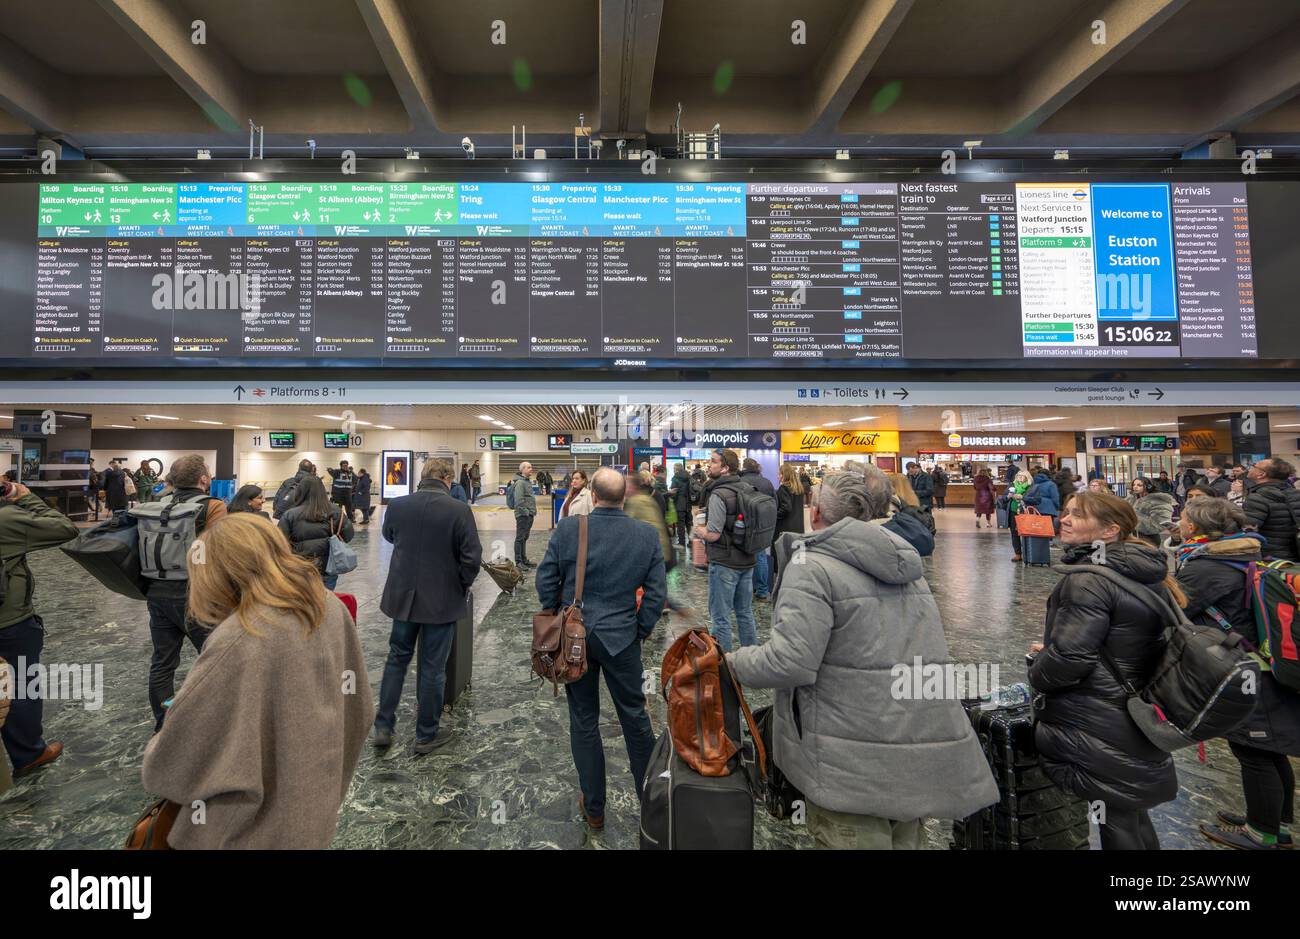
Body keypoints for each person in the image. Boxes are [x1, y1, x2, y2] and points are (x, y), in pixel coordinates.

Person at [728, 468, 998, 849]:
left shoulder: (811, 568)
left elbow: (790, 661)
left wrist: (732, 663)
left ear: (816, 512)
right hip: (907, 750)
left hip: (847, 762)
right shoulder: (904, 564)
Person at [141, 513, 371, 848]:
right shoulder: (328, 606)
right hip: (312, 817)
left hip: (245, 834)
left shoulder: (240, 637)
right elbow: (359, 712)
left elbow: (168, 768)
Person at [1028, 492, 1182, 849]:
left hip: (1097, 713)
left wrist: (1039, 671)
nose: (1064, 519)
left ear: (1110, 530)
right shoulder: (1140, 567)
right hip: (1135, 707)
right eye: (1066, 512)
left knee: (1112, 816)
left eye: (1077, 515)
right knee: (1127, 809)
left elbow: (1071, 658)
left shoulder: (1088, 579)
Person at [535, 467, 665, 830]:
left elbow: (545, 580)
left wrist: (559, 612)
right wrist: (639, 629)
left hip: (575, 641)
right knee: (635, 719)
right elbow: (656, 594)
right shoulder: (645, 535)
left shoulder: (569, 529)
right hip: (622, 639)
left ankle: (594, 808)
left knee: (584, 720)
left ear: (593, 496)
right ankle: (650, 805)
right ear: (624, 497)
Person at [1171, 498, 1300, 850]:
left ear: (1193, 527)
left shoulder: (1206, 567)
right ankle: (1275, 824)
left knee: (1253, 750)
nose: (1179, 523)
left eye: (1183, 518)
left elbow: (1174, 609)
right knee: (1270, 749)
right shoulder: (1245, 554)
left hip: (1244, 668)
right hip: (1265, 665)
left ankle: (1261, 834)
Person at [373, 458, 482, 754]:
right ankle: (425, 735)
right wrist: (460, 585)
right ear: (447, 479)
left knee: (396, 660)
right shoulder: (458, 510)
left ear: (422, 477)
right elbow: (472, 557)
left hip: (402, 598)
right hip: (441, 601)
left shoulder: (398, 505)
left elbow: (389, 536)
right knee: (433, 668)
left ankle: (383, 726)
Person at [141, 455, 228, 733]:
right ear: (203, 479)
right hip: (196, 593)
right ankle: (217, 723)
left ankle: (164, 723)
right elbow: (219, 550)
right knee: (218, 658)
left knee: (162, 662)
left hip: (157, 591)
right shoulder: (212, 506)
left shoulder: (157, 503)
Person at [0, 482, 77, 779]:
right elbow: (64, 528)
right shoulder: (6, 519)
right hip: (9, 622)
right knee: (21, 686)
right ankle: (29, 754)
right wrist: (26, 498)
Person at [693, 449, 759, 652]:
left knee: (720, 617)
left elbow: (713, 534)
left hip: (724, 563)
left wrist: (699, 530)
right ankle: (751, 658)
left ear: (725, 468)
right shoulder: (747, 488)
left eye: (713, 461)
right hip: (747, 559)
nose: (709, 465)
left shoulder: (718, 494)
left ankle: (725, 663)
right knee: (745, 613)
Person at [278, 475, 354, 590]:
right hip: (328, 567)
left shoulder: (290, 515)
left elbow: (280, 543)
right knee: (326, 598)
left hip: (300, 569)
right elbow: (348, 535)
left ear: (300, 491)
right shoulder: (336, 512)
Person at [1243, 456, 1300, 562]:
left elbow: (1248, 530)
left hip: (1271, 560)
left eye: (1254, 465)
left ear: (1261, 474)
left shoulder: (1258, 497)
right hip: (1295, 556)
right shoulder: (1296, 494)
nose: (1250, 467)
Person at [739, 458, 775, 602]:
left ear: (744, 467)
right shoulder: (767, 482)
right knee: (761, 557)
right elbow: (775, 504)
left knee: (742, 557)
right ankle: (762, 591)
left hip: (744, 525)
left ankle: (745, 591)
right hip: (763, 526)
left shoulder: (740, 482)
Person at [624, 471, 672, 568]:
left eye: (627, 485)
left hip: (655, 556)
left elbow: (626, 527)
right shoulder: (645, 497)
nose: (624, 488)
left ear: (633, 487)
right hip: (658, 552)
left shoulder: (636, 501)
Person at [772, 463, 806, 582]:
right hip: (798, 527)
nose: (778, 476)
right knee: (795, 558)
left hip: (784, 528)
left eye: (779, 474)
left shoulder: (783, 488)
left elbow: (786, 508)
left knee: (781, 558)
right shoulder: (799, 489)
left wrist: (774, 515)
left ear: (784, 475)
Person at [1127, 477, 1176, 547]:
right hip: (1131, 537)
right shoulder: (1131, 499)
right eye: (1134, 485)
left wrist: (1133, 516)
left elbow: (1158, 525)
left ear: (1148, 486)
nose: (1135, 487)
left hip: (1148, 539)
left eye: (1139, 485)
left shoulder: (1158, 501)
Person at [510, 461, 537, 568]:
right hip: (523, 515)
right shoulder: (520, 483)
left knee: (524, 538)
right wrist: (526, 512)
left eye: (531, 467)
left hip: (528, 514)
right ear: (523, 470)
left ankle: (524, 560)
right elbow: (519, 501)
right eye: (529, 467)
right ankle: (518, 562)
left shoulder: (526, 482)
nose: (531, 469)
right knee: (520, 538)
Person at [1022, 466, 1061, 535]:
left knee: (1038, 529)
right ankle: (1048, 540)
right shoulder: (1051, 484)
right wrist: (1058, 507)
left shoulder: (1034, 483)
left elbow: (1028, 495)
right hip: (1049, 509)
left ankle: (1039, 540)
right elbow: (1055, 498)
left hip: (1036, 508)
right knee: (1048, 530)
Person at [1007, 469, 1032, 561]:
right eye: (1018, 476)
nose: (1019, 477)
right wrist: (1007, 496)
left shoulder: (1031, 487)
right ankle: (1018, 554)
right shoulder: (1012, 485)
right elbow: (1003, 498)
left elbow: (1036, 499)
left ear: (1027, 477)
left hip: (1026, 512)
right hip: (1013, 511)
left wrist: (1023, 497)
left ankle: (1029, 553)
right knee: (1014, 533)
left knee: (1027, 533)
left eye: (1022, 476)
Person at [670, 463, 693, 547]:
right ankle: (691, 542)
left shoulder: (675, 478)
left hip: (679, 504)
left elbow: (674, 493)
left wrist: (671, 497)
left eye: (674, 468)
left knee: (680, 524)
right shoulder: (689, 477)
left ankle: (681, 543)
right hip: (688, 503)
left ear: (676, 469)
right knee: (689, 523)